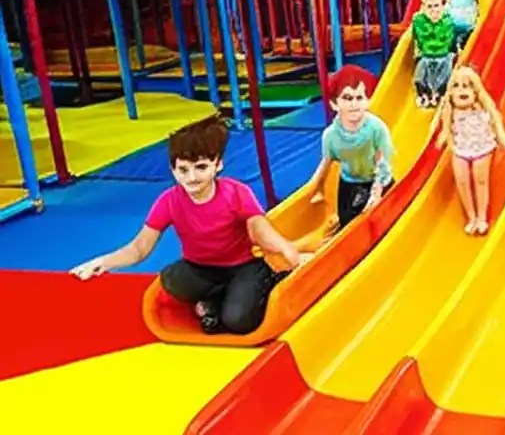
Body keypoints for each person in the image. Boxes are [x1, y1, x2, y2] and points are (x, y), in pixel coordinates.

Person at [69, 116, 299, 335]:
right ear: (173, 170)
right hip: (202, 269)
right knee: (172, 279)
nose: (192, 178)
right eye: (183, 170)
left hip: (242, 266)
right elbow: (139, 248)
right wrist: (104, 262)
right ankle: (219, 297)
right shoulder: (169, 201)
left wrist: (284, 248)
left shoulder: (235, 193)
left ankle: (263, 282)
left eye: (201, 167)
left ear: (218, 165)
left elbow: (258, 229)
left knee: (238, 321)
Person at [306, 65, 395, 229]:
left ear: (368, 101)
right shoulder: (331, 135)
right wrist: (317, 188)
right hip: (350, 182)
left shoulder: (376, 128)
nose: (354, 104)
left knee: (380, 219)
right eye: (347, 98)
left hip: (378, 180)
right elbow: (326, 163)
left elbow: (382, 163)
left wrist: (377, 192)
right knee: (348, 223)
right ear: (334, 103)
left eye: (359, 98)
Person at [434, 64, 505, 235]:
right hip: (460, 148)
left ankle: (482, 217)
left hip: (482, 147)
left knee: (480, 179)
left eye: (467, 86)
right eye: (457, 86)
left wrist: (501, 137)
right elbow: (446, 127)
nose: (462, 90)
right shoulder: (451, 109)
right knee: (462, 180)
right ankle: (472, 216)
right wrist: (444, 137)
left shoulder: (481, 106)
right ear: (451, 93)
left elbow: (495, 119)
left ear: (475, 91)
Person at [410, 0, 455, 109]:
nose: (433, 10)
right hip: (426, 55)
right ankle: (423, 93)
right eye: (429, 7)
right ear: (423, 8)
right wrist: (431, 26)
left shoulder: (447, 20)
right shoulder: (419, 20)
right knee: (422, 67)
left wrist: (436, 25)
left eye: (437, 6)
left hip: (443, 55)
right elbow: (421, 39)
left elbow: (447, 41)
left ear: (443, 7)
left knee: (447, 63)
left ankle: (439, 93)